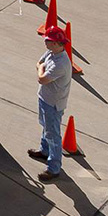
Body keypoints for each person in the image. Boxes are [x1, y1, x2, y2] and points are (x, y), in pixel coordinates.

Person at [31, 26, 73, 182]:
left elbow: (42, 78)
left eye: (48, 41)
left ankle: (54, 167)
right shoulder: (51, 53)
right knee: (45, 127)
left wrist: (40, 69)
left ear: (56, 43)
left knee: (53, 134)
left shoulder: (60, 64)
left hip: (53, 104)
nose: (45, 43)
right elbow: (39, 63)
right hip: (45, 98)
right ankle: (44, 150)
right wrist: (40, 68)